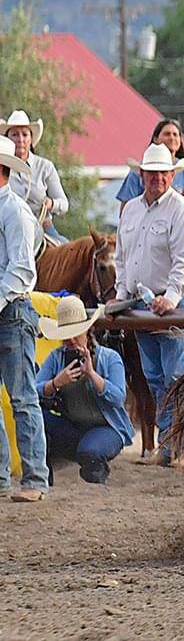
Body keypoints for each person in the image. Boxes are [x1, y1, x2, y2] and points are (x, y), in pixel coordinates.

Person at [113, 143, 184, 468]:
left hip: (171, 302)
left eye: (163, 172)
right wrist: (121, 294)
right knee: (153, 376)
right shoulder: (131, 210)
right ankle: (168, 444)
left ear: (173, 175)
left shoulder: (181, 210)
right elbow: (122, 258)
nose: (158, 178)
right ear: (142, 174)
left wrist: (173, 296)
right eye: (152, 173)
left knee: (179, 375)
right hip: (140, 303)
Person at [37, 296, 133, 484]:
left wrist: (92, 374)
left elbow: (119, 397)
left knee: (89, 453)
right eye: (66, 336)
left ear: (88, 331)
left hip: (107, 427)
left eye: (75, 333)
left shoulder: (109, 357)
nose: (71, 340)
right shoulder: (56, 357)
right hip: (73, 426)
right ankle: (42, 476)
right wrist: (56, 383)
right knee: (35, 416)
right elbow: (35, 390)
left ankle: (96, 466)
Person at [0, 135, 48, 501]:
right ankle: (8, 478)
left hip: (13, 310)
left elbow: (21, 270)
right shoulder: (13, 210)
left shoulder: (14, 210)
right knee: (20, 398)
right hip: (10, 309)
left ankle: (34, 479)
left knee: (22, 398)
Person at [1, 110, 69, 242]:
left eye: (24, 134)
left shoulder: (45, 167)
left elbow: (64, 204)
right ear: (7, 139)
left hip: (43, 228)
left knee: (69, 252)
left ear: (31, 139)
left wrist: (51, 203)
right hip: (8, 229)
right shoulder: (2, 167)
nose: (20, 139)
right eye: (15, 135)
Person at [117, 118, 184, 213]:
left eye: (175, 135)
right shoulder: (137, 173)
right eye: (167, 134)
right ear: (155, 139)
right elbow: (125, 209)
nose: (172, 138)